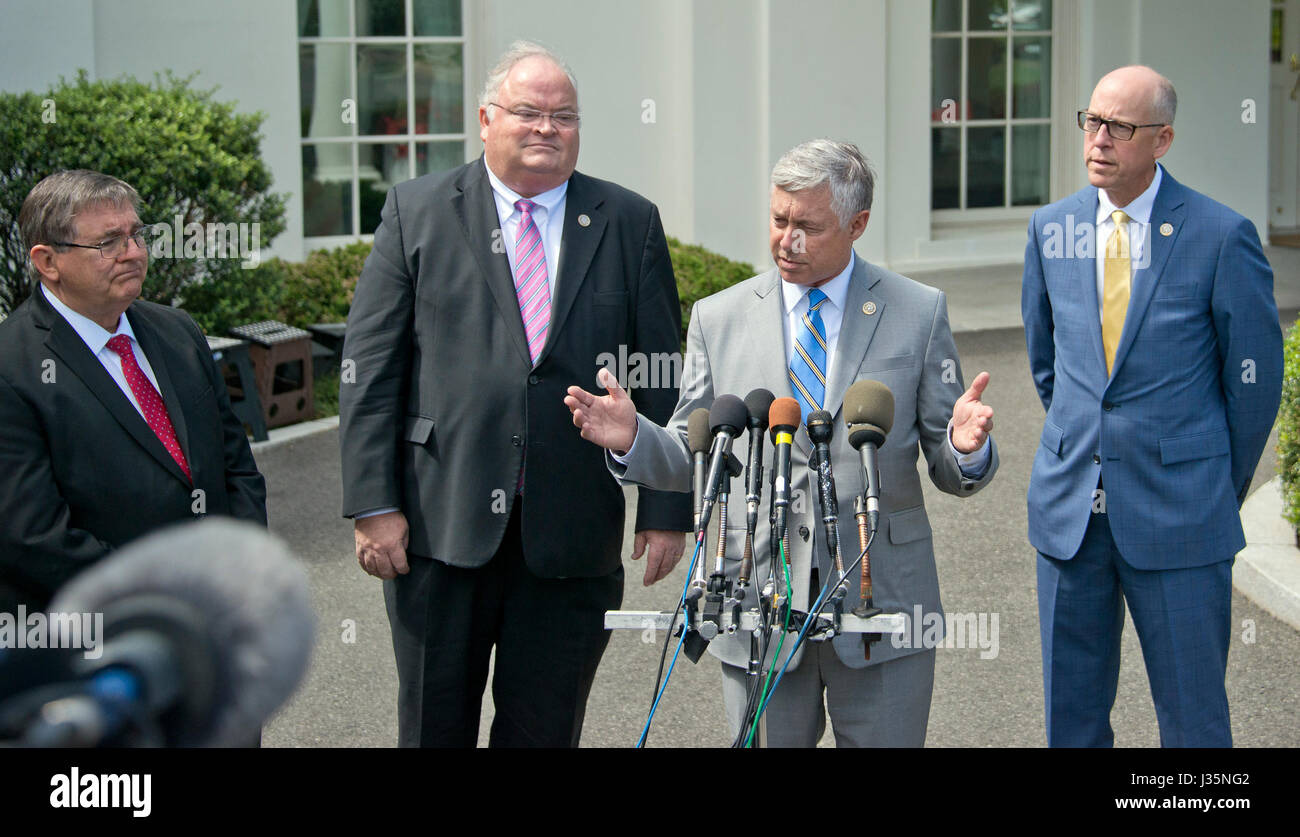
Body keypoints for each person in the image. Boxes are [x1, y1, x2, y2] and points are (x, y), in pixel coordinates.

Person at [565, 139, 998, 747]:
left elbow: (951, 469)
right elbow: (696, 455)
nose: (786, 240)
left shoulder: (917, 313)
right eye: (778, 220)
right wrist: (634, 436)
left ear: (857, 225)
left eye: (808, 226)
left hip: (883, 602)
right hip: (757, 603)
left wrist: (965, 446)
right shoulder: (720, 318)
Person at [339, 41, 691, 748]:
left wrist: (665, 503)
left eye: (564, 115)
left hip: (569, 539)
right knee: (433, 731)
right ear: (485, 119)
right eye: (528, 112)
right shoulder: (419, 211)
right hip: (441, 530)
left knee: (544, 734)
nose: (546, 128)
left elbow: (659, 374)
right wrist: (375, 505)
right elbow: (370, 371)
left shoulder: (628, 220)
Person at [1022, 66, 1282, 747]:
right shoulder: (1051, 229)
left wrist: (1209, 484)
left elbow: (1252, 384)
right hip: (1071, 511)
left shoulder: (1222, 236)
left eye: (1120, 127)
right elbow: (1051, 366)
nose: (1099, 139)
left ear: (1162, 139)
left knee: (1194, 720)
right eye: (1093, 121)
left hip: (1181, 513)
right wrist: (1089, 443)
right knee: (1070, 722)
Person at [0, 169, 268, 611]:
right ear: (48, 262)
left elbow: (235, 464)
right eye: (109, 243)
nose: (133, 253)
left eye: (136, 236)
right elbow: (32, 537)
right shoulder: (13, 367)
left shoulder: (176, 331)